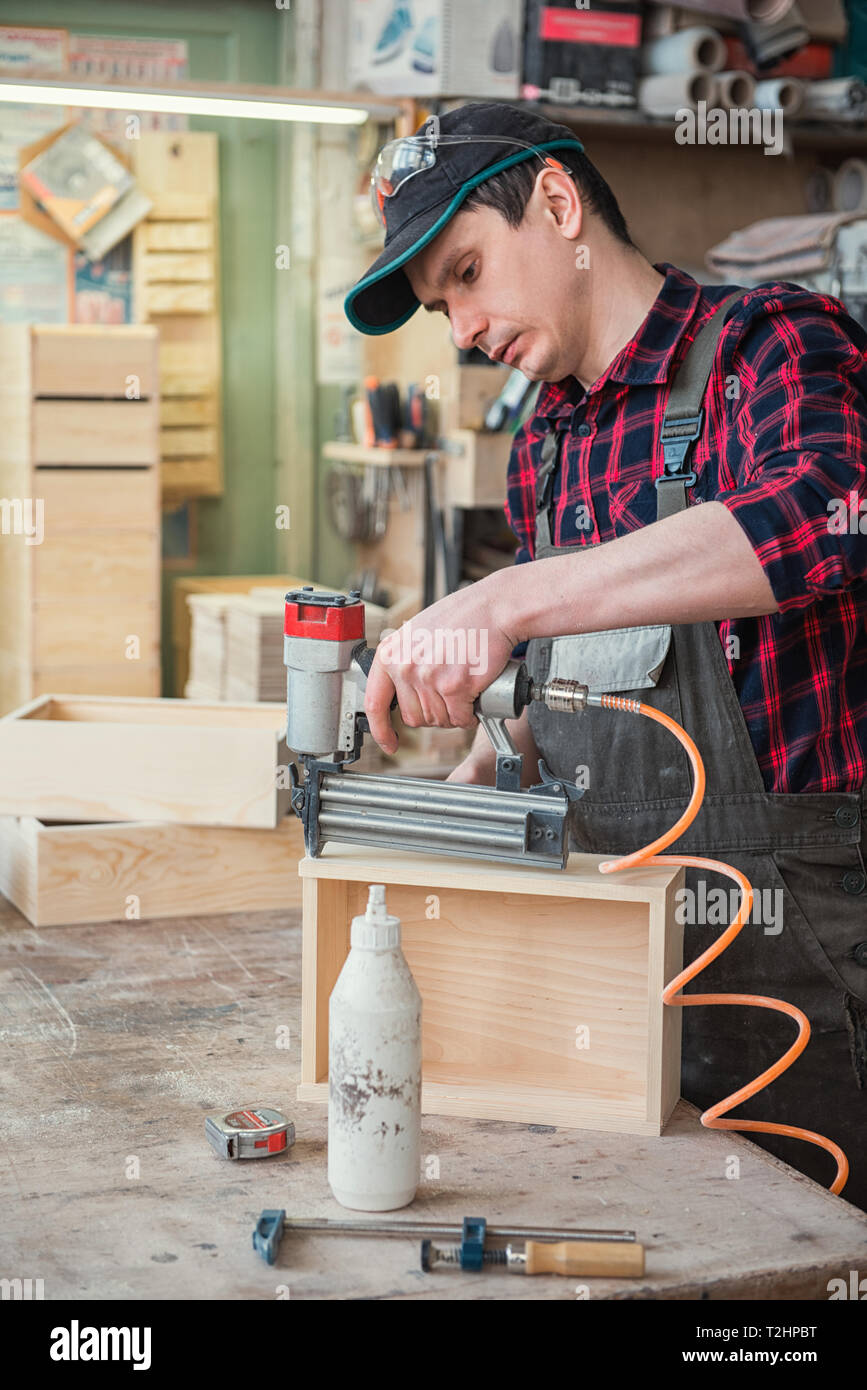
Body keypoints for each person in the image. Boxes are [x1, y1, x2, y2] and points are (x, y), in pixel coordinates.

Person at [344, 102, 867, 1211]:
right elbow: (573, 687)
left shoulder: (773, 338)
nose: (465, 326)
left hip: (802, 956)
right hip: (622, 965)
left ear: (560, 204)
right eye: (445, 305)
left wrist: (505, 596)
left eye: (469, 273)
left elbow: (829, 514)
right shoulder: (549, 441)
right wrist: (477, 790)